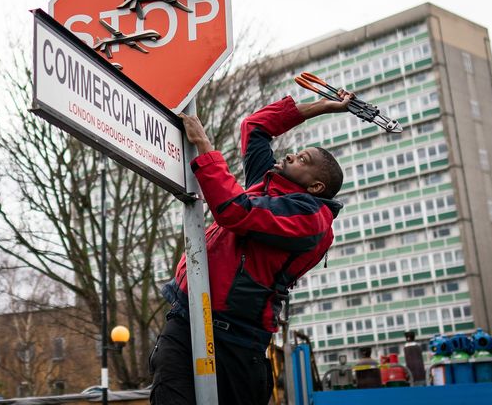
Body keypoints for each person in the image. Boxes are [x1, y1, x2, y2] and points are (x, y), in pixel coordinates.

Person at [149, 92, 353, 405]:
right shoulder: (267, 180)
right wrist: (321, 107)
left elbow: (235, 211)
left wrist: (205, 147)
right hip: (186, 319)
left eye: (303, 160)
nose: (290, 157)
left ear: (316, 187)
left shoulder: (311, 218)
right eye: (297, 153)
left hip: (236, 340)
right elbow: (255, 127)